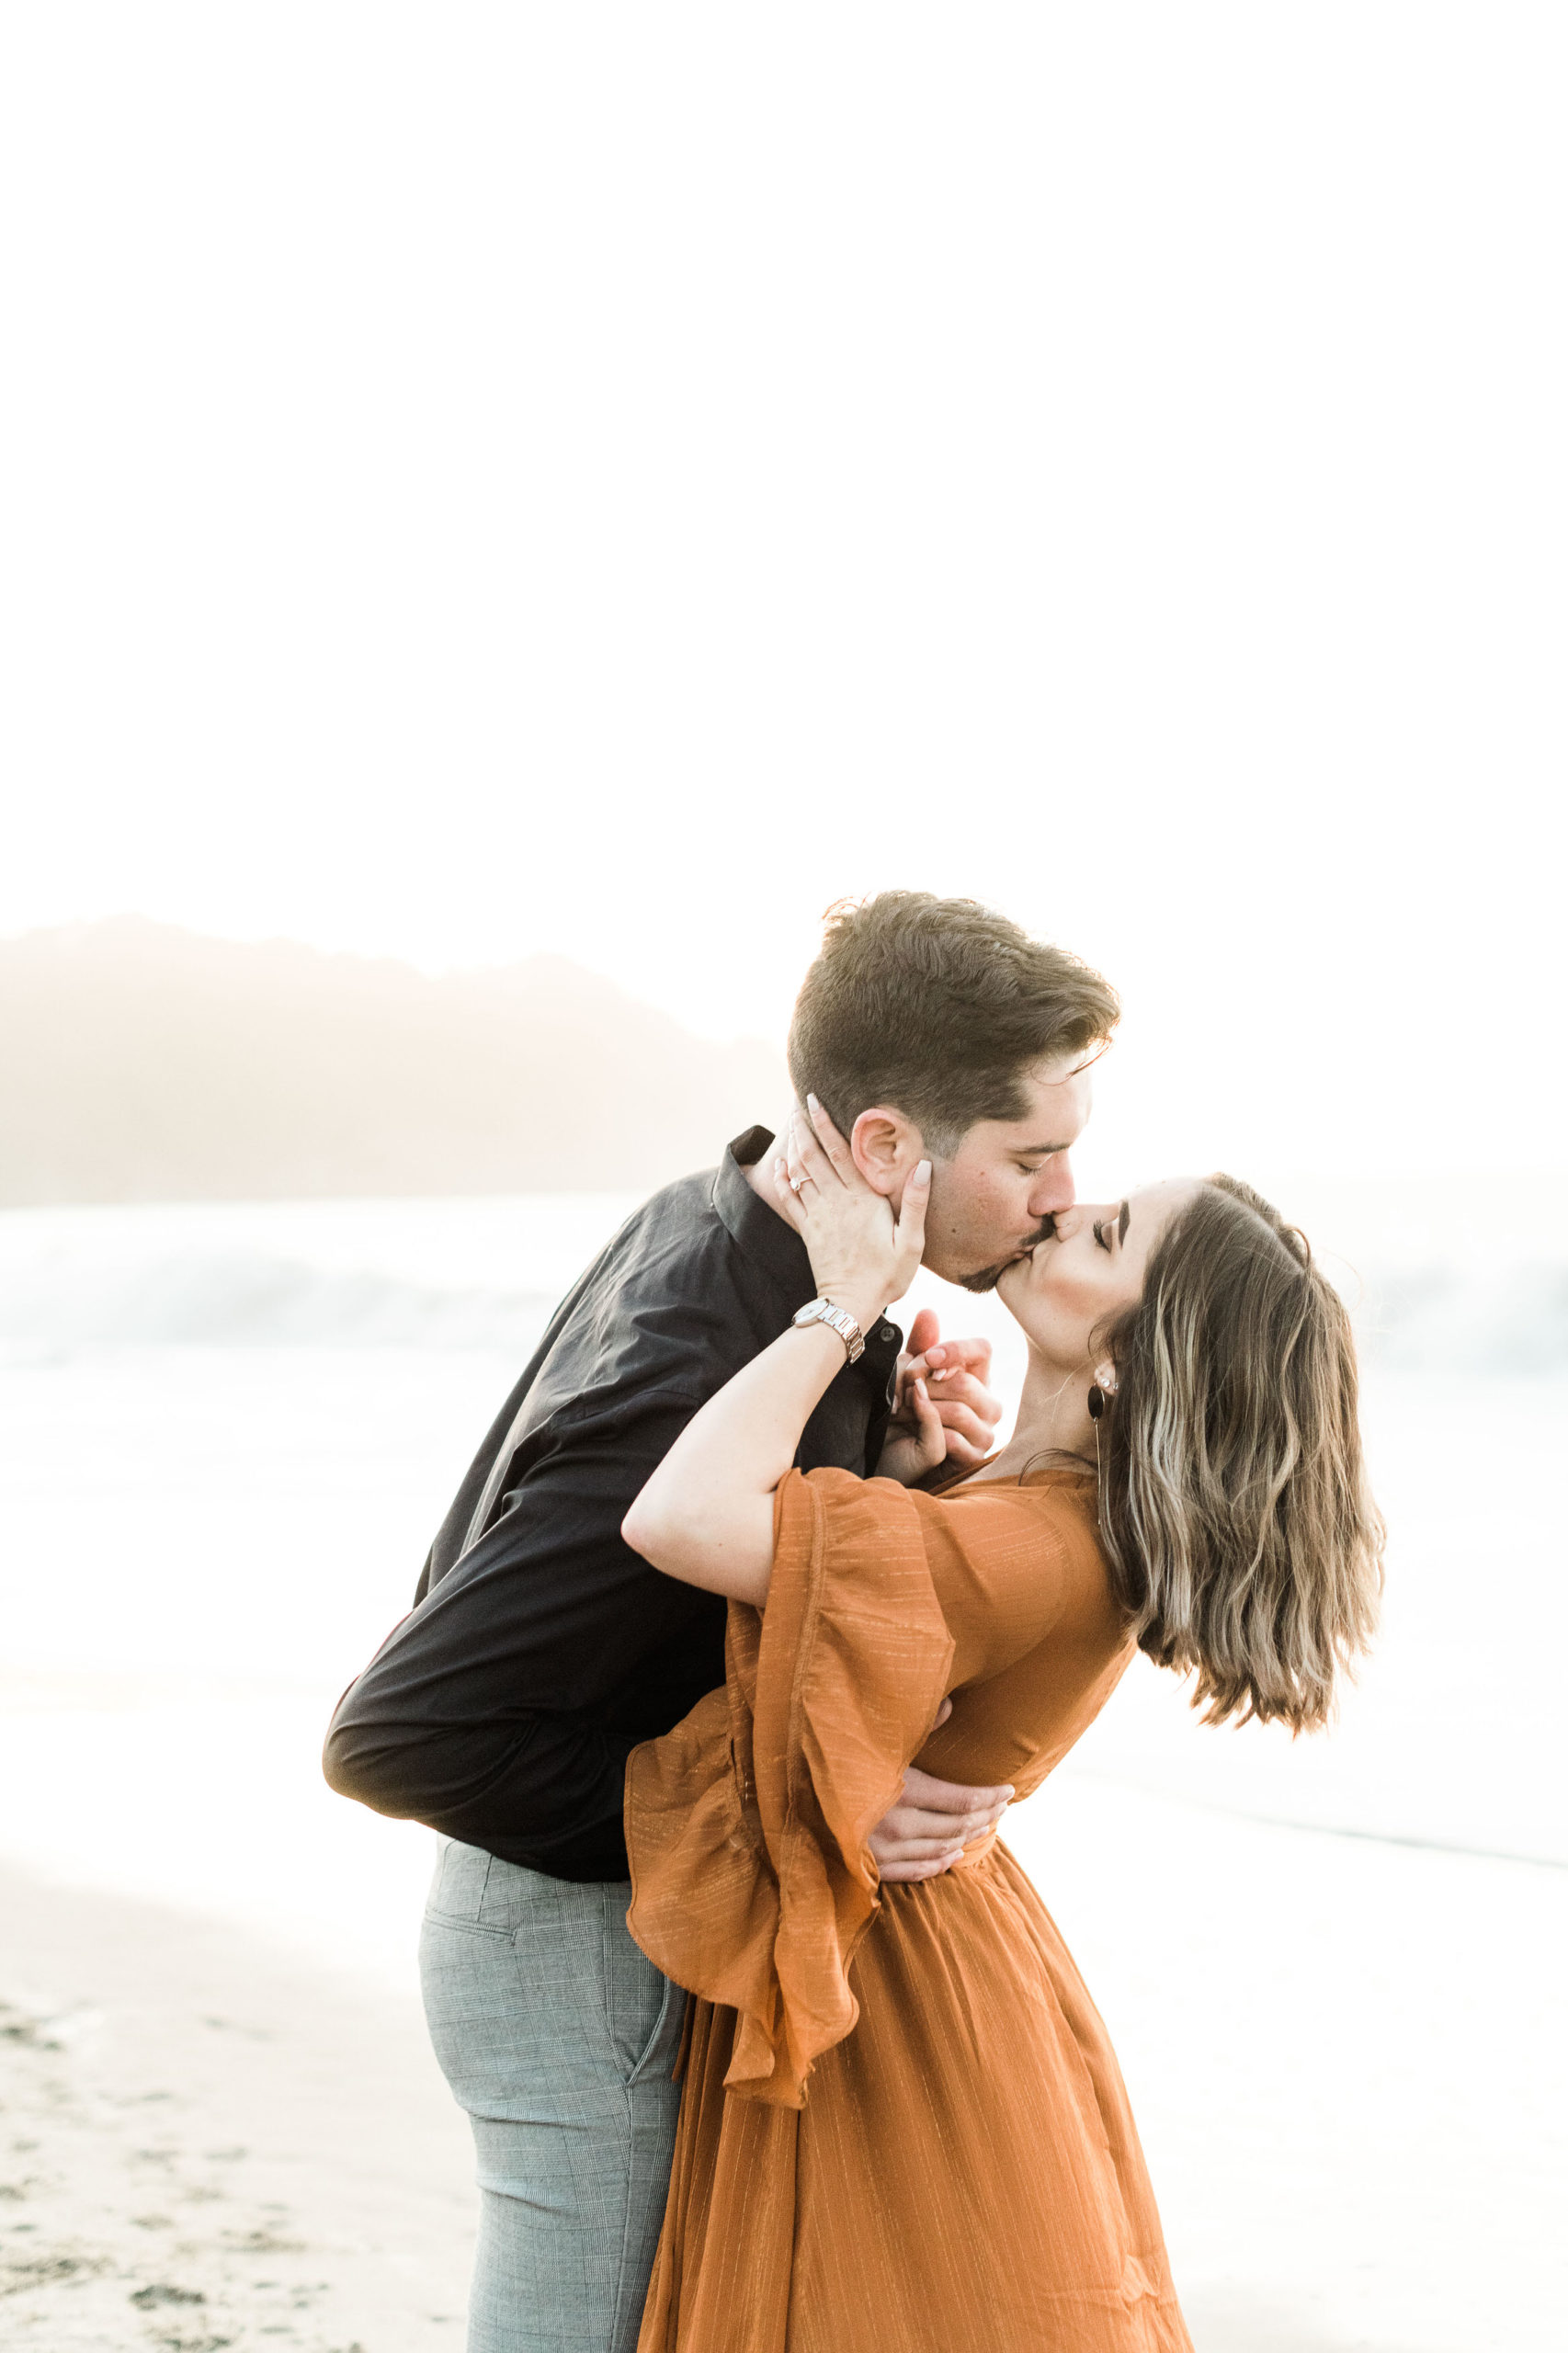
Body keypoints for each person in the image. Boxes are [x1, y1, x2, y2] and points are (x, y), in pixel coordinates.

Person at [322, 892, 1121, 2353]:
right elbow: (402, 1738)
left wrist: (883, 1473)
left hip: (622, 1916)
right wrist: (769, 1819)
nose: (1062, 1195)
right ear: (884, 1148)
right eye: (1031, 1156)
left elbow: (670, 1613)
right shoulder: (723, 1337)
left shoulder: (778, 1251)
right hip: (573, 1942)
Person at [619, 1098, 1384, 2353]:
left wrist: (839, 1307)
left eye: (1108, 1232)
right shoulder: (1031, 1505)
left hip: (897, 2014)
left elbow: (679, 1519)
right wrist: (901, 1486)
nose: (1062, 1208)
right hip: (932, 1961)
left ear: (1135, 1352)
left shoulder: (1032, 1542)